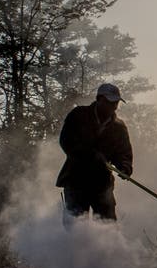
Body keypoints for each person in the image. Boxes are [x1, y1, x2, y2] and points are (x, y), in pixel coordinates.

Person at [56, 83, 133, 222]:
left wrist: (125, 166)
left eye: (116, 102)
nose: (113, 106)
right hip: (76, 179)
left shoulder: (119, 127)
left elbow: (124, 152)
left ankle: (106, 244)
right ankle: (71, 244)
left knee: (107, 225)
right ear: (99, 99)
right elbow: (66, 141)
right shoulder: (78, 115)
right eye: (110, 102)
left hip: (102, 183)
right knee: (75, 225)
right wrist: (89, 155)